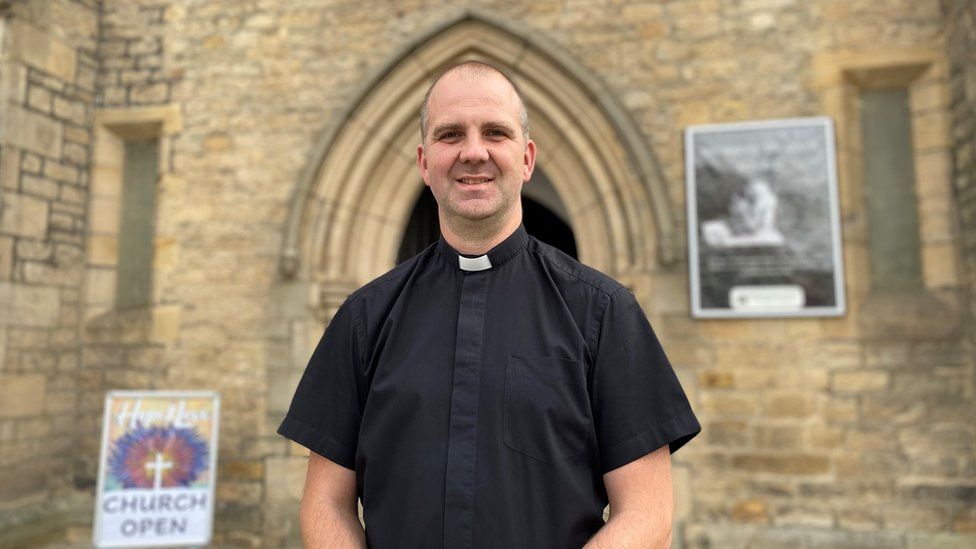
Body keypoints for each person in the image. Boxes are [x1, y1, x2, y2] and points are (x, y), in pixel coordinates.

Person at [278, 61, 700, 548]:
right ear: (423, 161)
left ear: (526, 158)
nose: (473, 152)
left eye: (495, 133)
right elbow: (325, 503)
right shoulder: (364, 317)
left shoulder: (604, 312)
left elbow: (648, 512)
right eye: (450, 134)